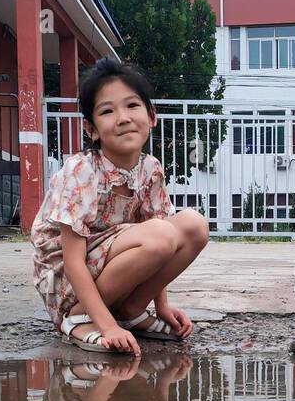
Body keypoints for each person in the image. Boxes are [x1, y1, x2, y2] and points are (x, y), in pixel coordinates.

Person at [31, 58, 209, 355]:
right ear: (91, 129)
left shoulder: (150, 168)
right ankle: (79, 319)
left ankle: (131, 311)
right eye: (107, 111)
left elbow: (165, 238)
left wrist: (161, 305)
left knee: (193, 226)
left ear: (151, 116)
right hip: (66, 279)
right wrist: (107, 327)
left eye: (132, 105)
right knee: (161, 235)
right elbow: (72, 260)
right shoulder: (81, 171)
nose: (123, 118)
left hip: (111, 259)